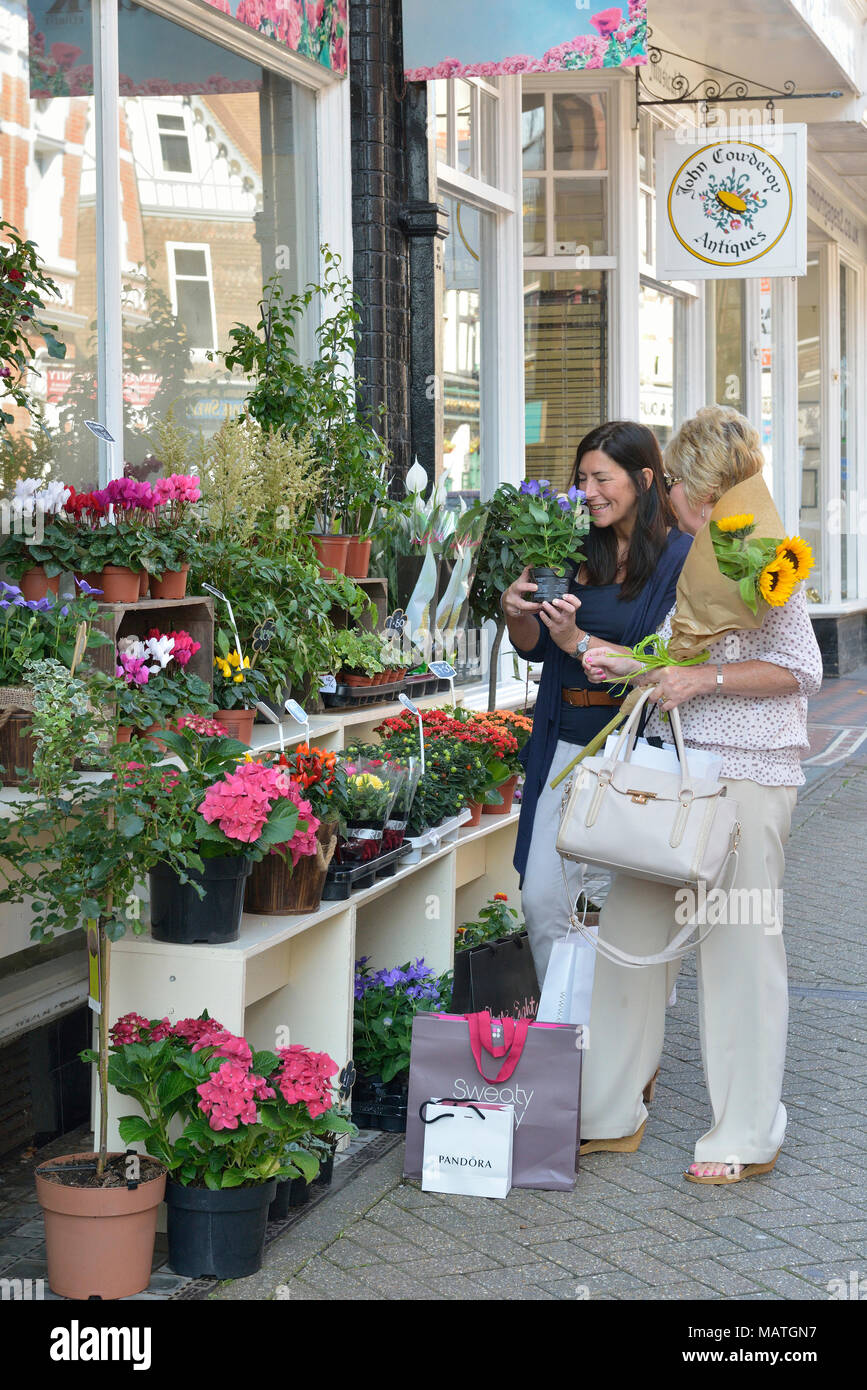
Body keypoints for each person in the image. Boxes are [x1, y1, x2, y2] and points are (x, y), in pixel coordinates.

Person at [580, 404, 823, 1184]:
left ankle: (747, 1130)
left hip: (749, 780)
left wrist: (702, 678)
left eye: (675, 483)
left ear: (699, 485)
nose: (669, 497)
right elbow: (684, 657)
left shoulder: (762, 552)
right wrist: (632, 665)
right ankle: (606, 1110)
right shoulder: (700, 552)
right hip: (680, 778)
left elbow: (802, 669)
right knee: (630, 938)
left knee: (738, 953)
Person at [500, 420, 691, 986]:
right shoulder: (568, 543)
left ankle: (628, 1048)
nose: (588, 492)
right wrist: (516, 611)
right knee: (543, 899)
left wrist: (577, 640)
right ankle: (570, 1037)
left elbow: (665, 664)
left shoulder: (679, 559)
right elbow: (535, 649)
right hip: (563, 745)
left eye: (602, 478)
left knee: (628, 911)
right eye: (581, 478)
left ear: (644, 478)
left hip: (636, 751)